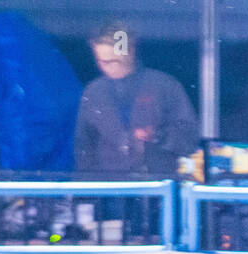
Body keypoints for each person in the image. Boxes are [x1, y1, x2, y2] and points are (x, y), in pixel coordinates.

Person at [74, 21, 199, 177]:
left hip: (158, 187)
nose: (104, 67)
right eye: (100, 61)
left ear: (130, 52)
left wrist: (157, 135)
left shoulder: (165, 86)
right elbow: (83, 147)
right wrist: (86, 193)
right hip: (111, 189)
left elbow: (190, 138)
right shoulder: (94, 92)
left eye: (111, 61)